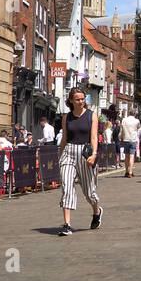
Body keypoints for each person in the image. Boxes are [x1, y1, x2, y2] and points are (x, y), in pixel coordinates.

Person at [57, 86, 102, 236]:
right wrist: (59, 155)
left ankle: (96, 211)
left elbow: (94, 137)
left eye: (83, 99)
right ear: (71, 100)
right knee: (67, 187)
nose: (81, 101)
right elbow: (64, 139)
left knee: (89, 192)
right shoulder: (66, 117)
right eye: (77, 99)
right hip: (68, 152)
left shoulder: (91, 115)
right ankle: (67, 225)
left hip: (85, 153)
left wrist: (94, 154)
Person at [120, 108, 141, 178]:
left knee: (126, 156)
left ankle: (126, 171)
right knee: (132, 156)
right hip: (133, 139)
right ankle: (130, 172)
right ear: (134, 114)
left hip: (126, 139)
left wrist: (121, 137)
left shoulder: (124, 120)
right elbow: (138, 129)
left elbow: (122, 130)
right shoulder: (137, 121)